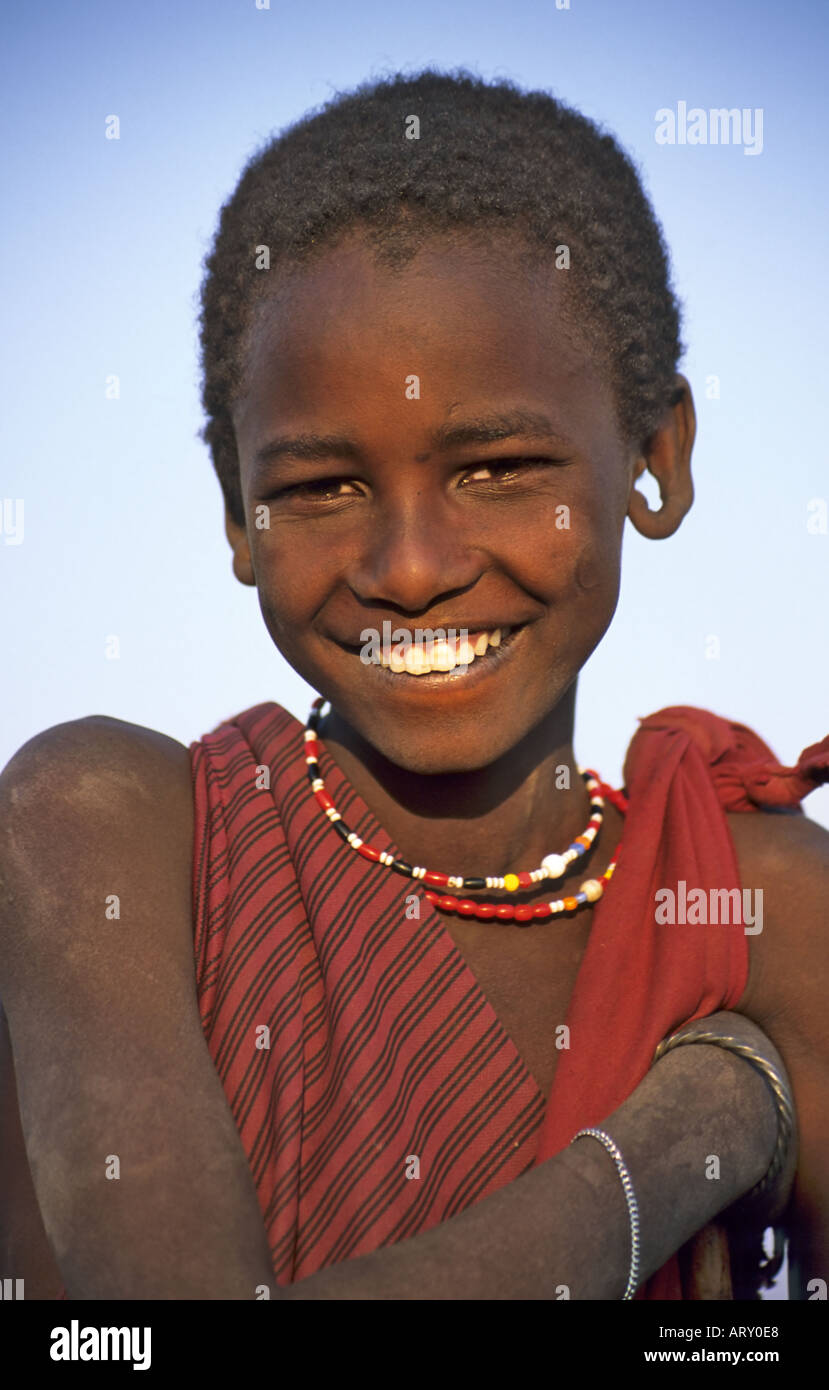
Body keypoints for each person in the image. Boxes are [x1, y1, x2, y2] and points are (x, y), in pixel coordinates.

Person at [1, 68, 827, 1301]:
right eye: (320, 488)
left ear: (655, 460)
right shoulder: (104, 824)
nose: (410, 568)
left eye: (497, 467)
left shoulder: (751, 899)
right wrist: (688, 1137)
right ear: (236, 510)